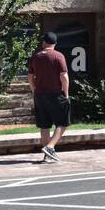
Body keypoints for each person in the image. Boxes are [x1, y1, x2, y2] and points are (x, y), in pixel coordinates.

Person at [28, 31, 71, 163]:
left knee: (44, 125)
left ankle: (47, 155)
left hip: (40, 95)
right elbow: (64, 76)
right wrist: (66, 93)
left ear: (44, 42)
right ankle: (50, 147)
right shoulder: (58, 56)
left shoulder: (35, 57)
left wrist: (34, 90)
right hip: (55, 94)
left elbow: (30, 76)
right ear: (55, 43)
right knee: (63, 122)